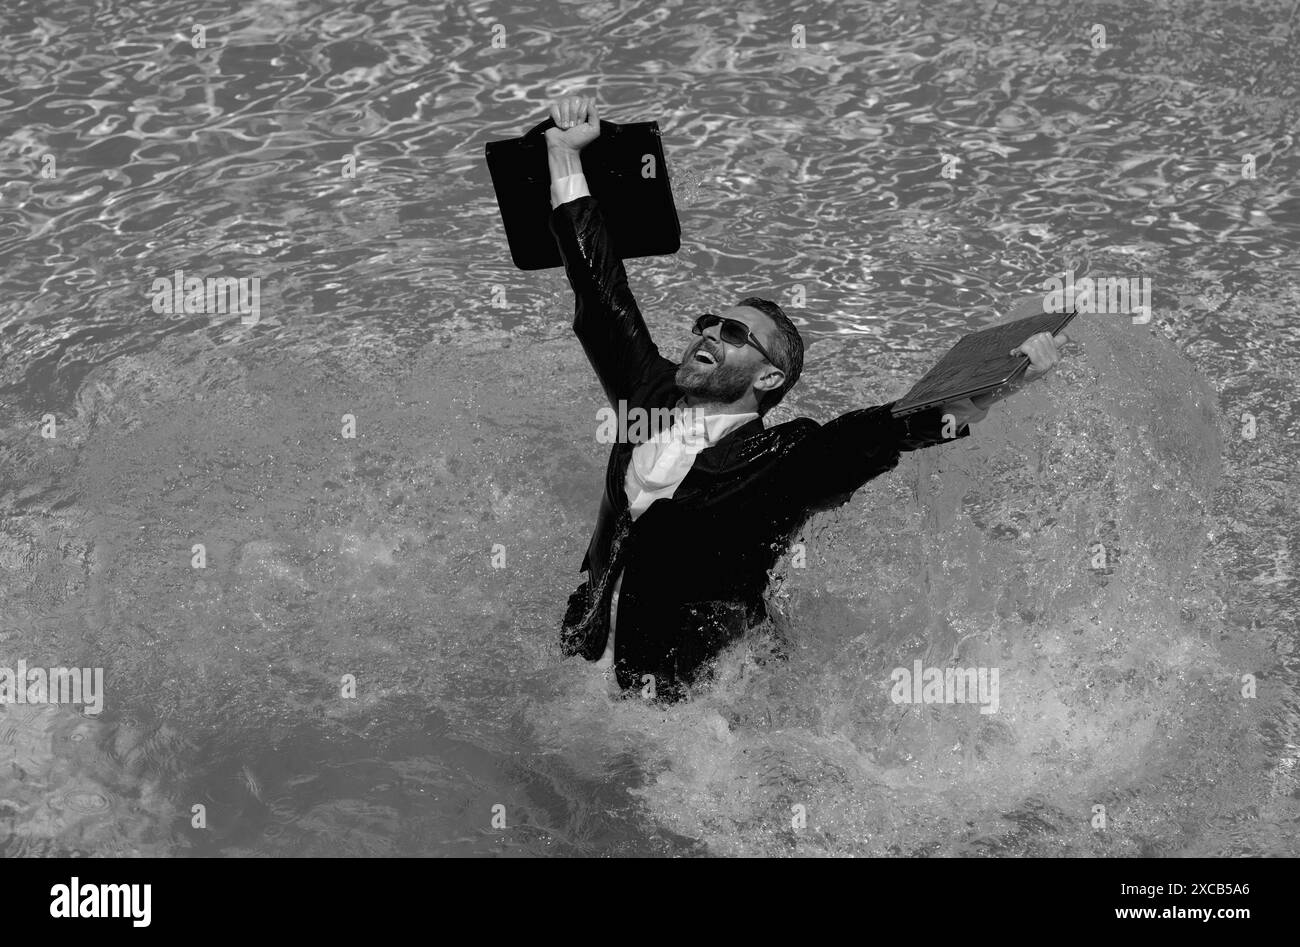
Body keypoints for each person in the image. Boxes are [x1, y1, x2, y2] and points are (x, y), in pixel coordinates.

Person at [543, 95, 1065, 702]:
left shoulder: (775, 460)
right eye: (710, 322)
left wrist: (987, 391)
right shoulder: (648, 396)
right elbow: (601, 293)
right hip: (580, 681)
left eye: (736, 334)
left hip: (686, 720)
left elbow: (861, 442)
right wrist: (564, 157)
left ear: (768, 379)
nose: (710, 332)